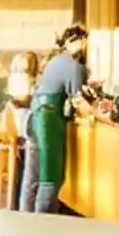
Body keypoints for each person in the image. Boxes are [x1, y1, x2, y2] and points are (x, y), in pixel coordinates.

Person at [20, 25, 89, 214]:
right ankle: (45, 224)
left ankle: (24, 221)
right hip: (49, 118)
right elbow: (79, 100)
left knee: (32, 176)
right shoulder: (75, 67)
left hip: (34, 114)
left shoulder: (53, 61)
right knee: (50, 175)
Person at [4, 52, 40, 210]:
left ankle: (18, 206)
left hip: (17, 127)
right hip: (26, 127)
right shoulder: (29, 82)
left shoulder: (13, 79)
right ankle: (27, 208)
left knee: (23, 172)